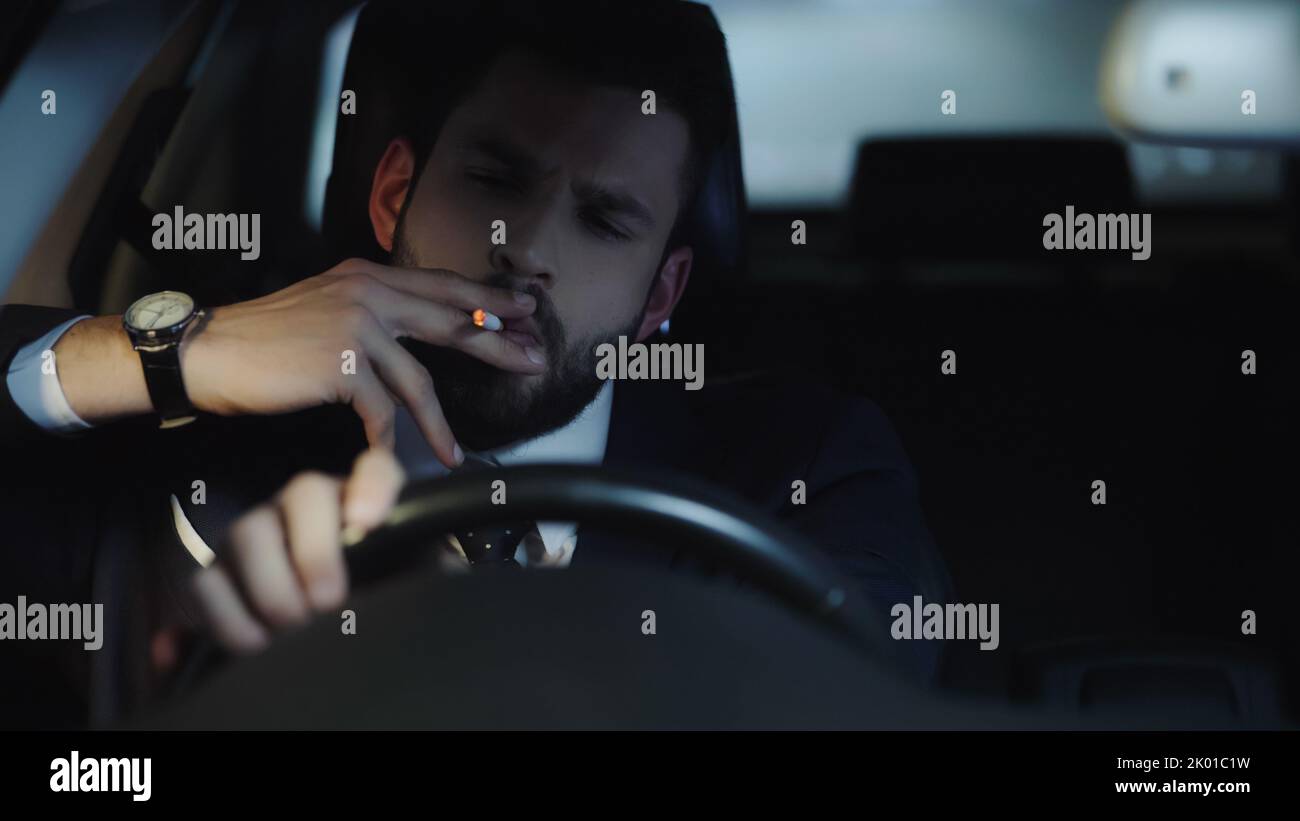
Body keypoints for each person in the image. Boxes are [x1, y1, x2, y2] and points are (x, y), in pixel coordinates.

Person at [0, 1, 949, 725]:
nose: (526, 246)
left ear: (660, 296)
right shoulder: (188, 449)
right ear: (392, 196)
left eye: (604, 219)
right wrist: (169, 352)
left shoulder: (806, 468)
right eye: (495, 179)